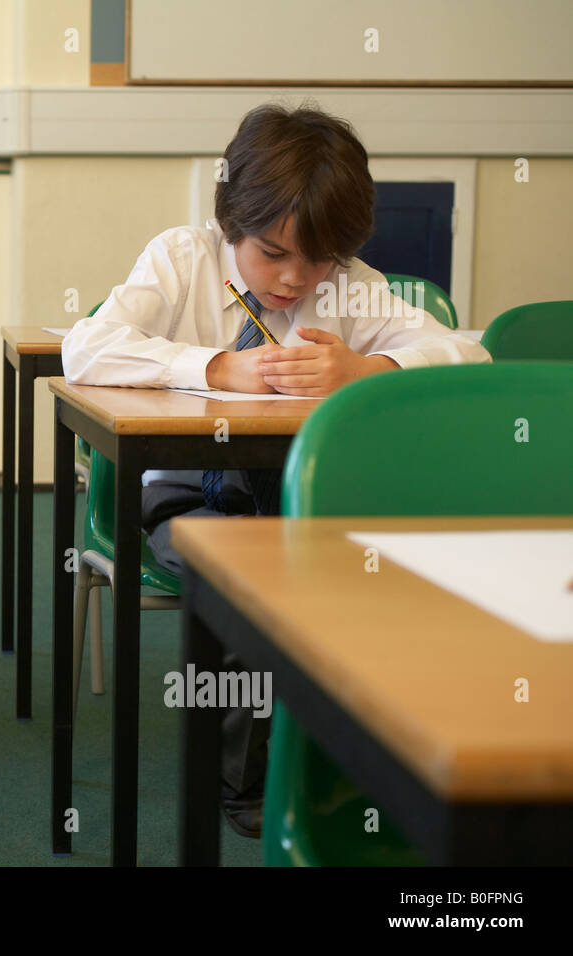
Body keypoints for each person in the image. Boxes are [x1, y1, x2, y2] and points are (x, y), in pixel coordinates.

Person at [61, 103, 490, 838]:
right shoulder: (181, 259)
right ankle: (243, 781)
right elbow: (87, 347)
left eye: (318, 260)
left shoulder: (350, 286)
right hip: (183, 488)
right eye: (272, 253)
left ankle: (362, 761)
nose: (296, 279)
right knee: (241, 576)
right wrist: (216, 366)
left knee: (367, 572)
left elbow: (469, 353)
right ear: (231, 223)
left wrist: (366, 367)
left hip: (299, 490)